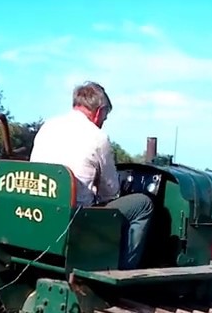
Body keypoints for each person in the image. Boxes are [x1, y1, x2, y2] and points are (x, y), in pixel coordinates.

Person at [29, 81, 153, 270]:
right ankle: (123, 272)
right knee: (143, 204)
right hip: (75, 219)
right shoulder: (97, 137)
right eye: (105, 116)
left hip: (40, 211)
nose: (103, 121)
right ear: (99, 111)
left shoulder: (48, 126)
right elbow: (110, 193)